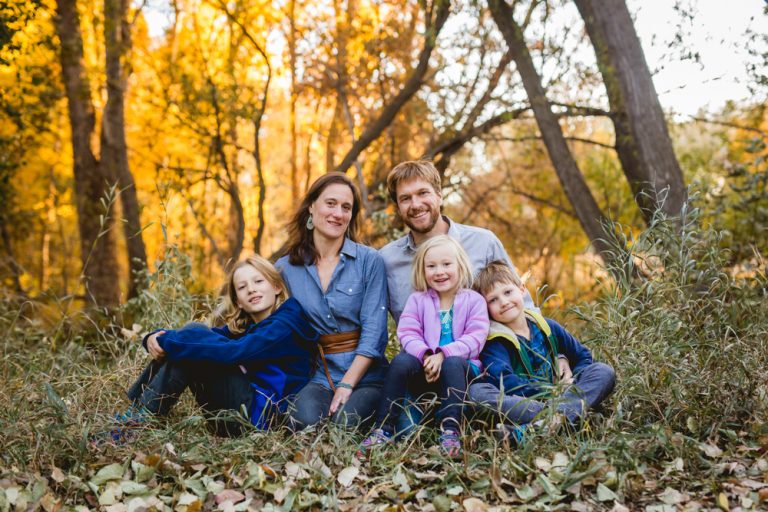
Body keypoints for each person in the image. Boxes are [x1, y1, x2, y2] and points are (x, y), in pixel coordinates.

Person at [111, 255, 318, 441]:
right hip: (237, 412)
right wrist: (153, 337)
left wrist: (167, 341)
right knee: (193, 343)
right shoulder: (248, 328)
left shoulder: (285, 325)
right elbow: (203, 340)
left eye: (258, 281)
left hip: (260, 422)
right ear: (238, 302)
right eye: (243, 287)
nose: (252, 289)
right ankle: (137, 418)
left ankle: (136, 422)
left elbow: (235, 352)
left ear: (276, 287)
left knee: (192, 343)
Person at [276, 172, 389, 430]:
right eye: (330, 203)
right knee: (302, 423)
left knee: (344, 426)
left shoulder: (369, 261)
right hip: (317, 375)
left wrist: (348, 384)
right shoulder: (285, 268)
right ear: (311, 207)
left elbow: (375, 332)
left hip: (366, 376)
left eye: (346, 207)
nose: (338, 213)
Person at [360, 235, 489, 458]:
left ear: (460, 265)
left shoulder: (474, 301)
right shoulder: (418, 300)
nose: (439, 271)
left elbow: (476, 338)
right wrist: (427, 355)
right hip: (425, 368)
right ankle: (383, 429)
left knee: (453, 363)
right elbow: (408, 333)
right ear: (422, 270)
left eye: (447, 264)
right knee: (401, 361)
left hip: (462, 372)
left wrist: (443, 354)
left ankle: (450, 432)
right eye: (431, 266)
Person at [469, 261, 616, 442]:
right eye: (493, 300)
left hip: (567, 392)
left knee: (603, 371)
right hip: (528, 403)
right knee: (477, 394)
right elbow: (506, 383)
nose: (504, 302)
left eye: (508, 292)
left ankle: (533, 430)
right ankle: (568, 415)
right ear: (486, 308)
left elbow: (583, 356)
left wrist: (570, 379)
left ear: (521, 289)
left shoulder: (547, 326)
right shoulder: (494, 342)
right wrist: (552, 393)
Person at [379, 160, 537, 324]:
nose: (416, 204)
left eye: (423, 193)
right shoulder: (386, 260)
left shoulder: (484, 243)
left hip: (487, 348)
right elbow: (372, 322)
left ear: (439, 196)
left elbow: (524, 308)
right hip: (418, 350)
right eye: (405, 198)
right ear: (397, 207)